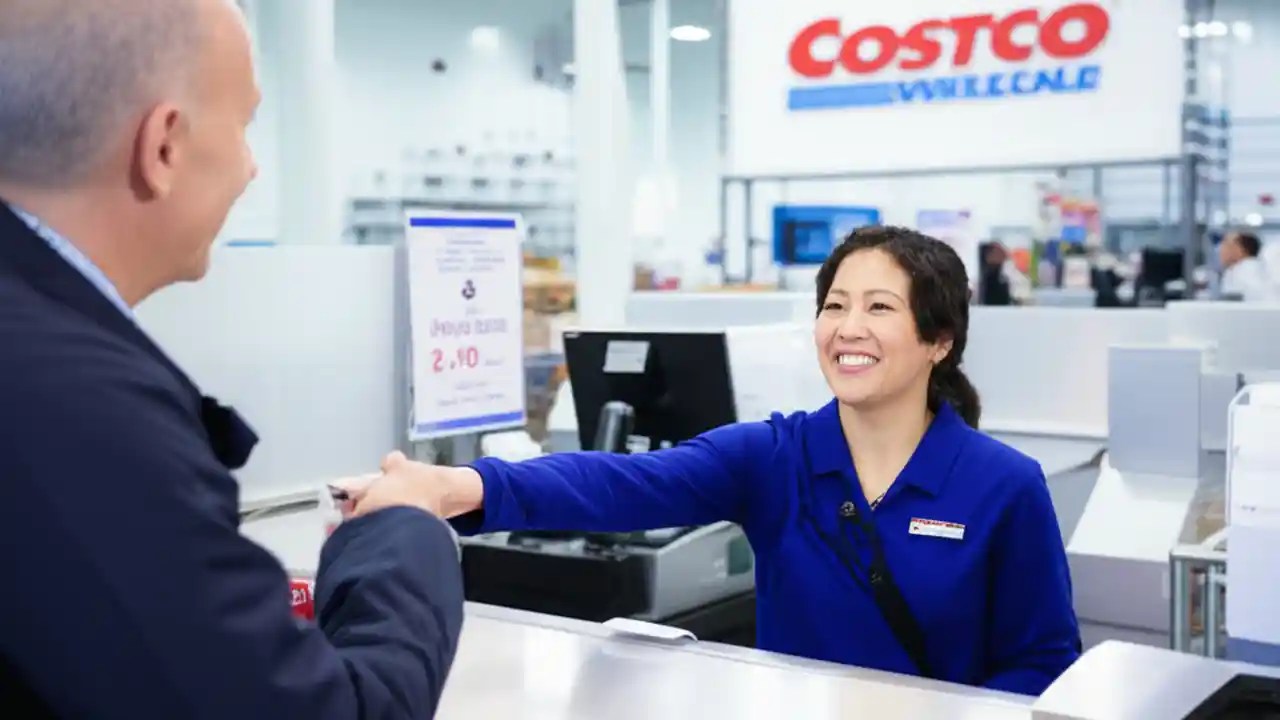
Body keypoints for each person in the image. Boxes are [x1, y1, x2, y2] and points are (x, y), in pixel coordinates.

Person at [346, 225, 1084, 696]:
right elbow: (623, 482)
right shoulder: (776, 456)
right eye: (834, 305)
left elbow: (1043, 661)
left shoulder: (1003, 486)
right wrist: (451, 485)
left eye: (880, 308)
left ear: (939, 339)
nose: (847, 328)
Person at [0, 1, 464, 717]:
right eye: (245, 125)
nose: (250, 169)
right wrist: (401, 528)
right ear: (164, 146)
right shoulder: (78, 411)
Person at [1218, 230, 1276, 302]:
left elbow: (1263, 300)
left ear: (1241, 250)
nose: (1221, 249)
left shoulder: (1248, 269)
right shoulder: (1235, 270)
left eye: (1226, 244)